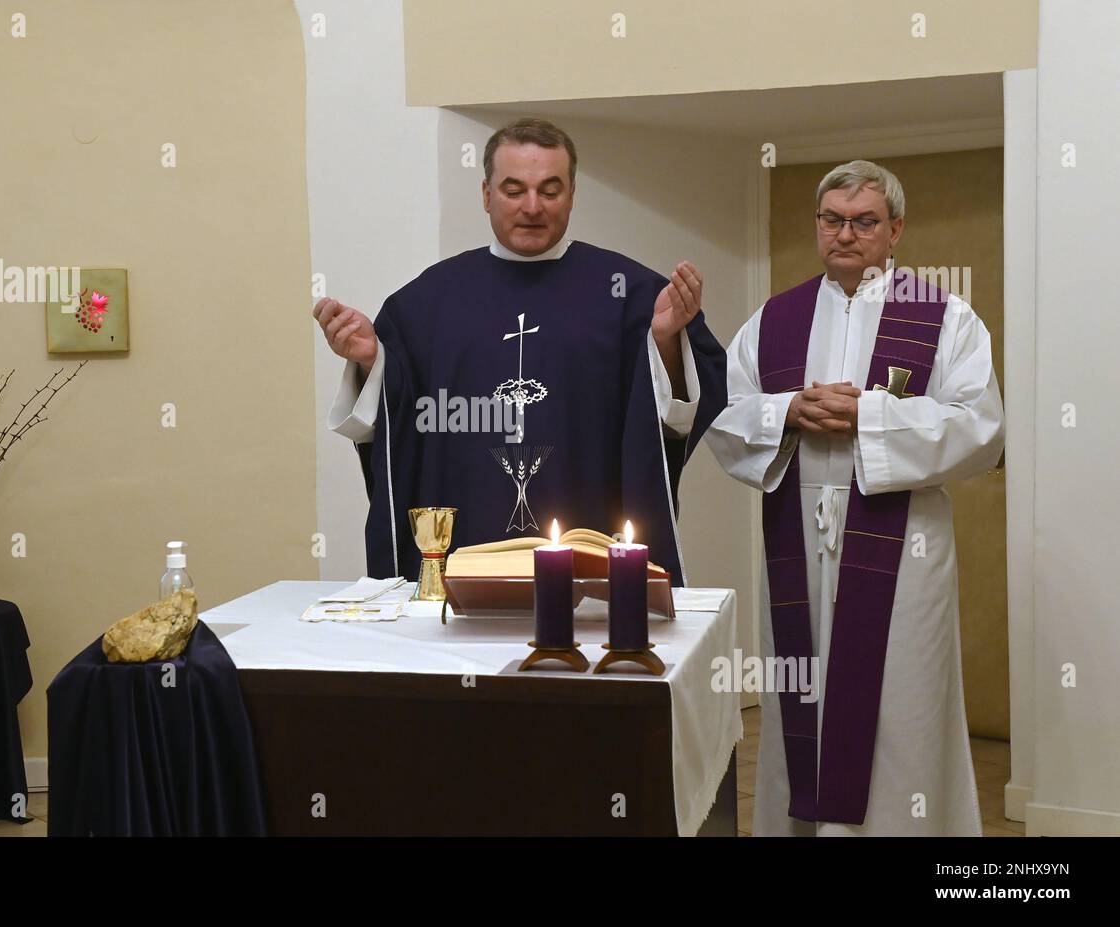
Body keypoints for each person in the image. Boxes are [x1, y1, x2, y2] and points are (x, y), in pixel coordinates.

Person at [706, 159, 1005, 835]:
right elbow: (727, 421)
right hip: (798, 543)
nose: (846, 234)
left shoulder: (945, 316)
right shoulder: (773, 320)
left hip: (904, 552)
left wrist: (869, 418)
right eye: (832, 220)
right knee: (801, 703)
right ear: (818, 226)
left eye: (864, 221)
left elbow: (982, 429)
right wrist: (788, 412)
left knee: (901, 707)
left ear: (895, 228)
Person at [314, 118, 726, 584]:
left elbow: (676, 417)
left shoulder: (633, 295)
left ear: (572, 194)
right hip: (462, 552)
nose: (533, 207)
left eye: (550, 190)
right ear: (486, 194)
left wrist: (666, 342)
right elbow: (394, 427)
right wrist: (373, 362)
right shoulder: (424, 304)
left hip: (589, 555)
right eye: (514, 190)